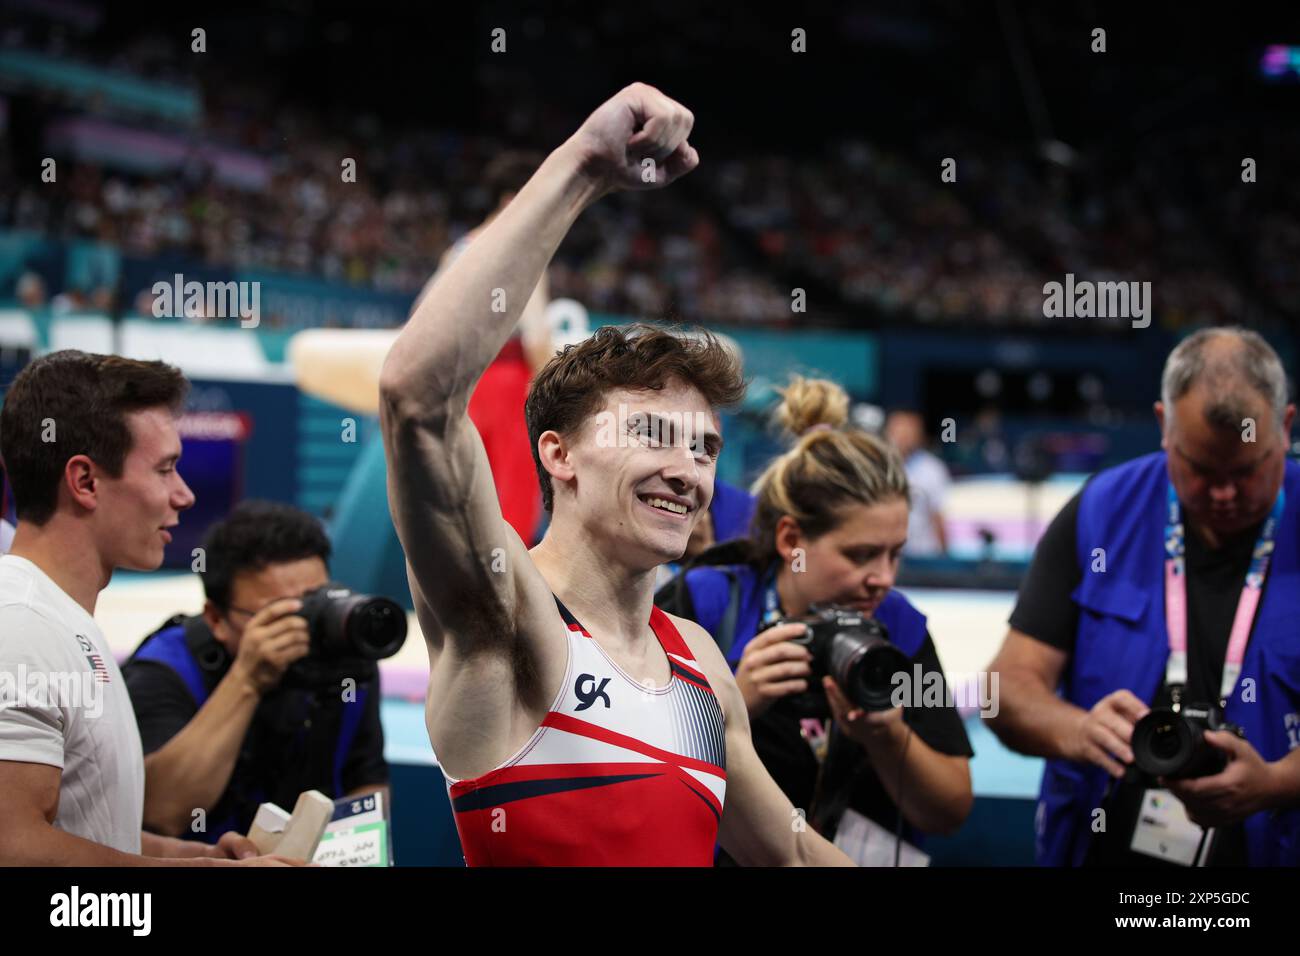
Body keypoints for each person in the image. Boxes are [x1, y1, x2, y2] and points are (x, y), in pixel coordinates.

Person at [379, 82, 854, 865]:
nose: (688, 471)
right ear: (558, 454)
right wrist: (583, 167)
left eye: (704, 448)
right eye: (653, 436)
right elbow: (416, 398)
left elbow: (795, 857)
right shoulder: (508, 613)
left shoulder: (698, 660)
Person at [987, 327, 1300, 866]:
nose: (1224, 494)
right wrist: (1078, 730)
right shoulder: (1100, 512)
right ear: (1162, 425)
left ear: (1287, 426)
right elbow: (1004, 689)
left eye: (1247, 470)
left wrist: (1278, 781)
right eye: (1200, 469)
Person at [656, 377, 973, 864]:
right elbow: (640, 775)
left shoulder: (898, 628)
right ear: (791, 540)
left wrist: (886, 736)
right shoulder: (707, 604)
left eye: (895, 555)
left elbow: (948, 813)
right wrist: (735, 706)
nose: (882, 578)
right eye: (861, 555)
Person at [0, 351, 292, 865]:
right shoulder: (20, 626)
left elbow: (87, 831)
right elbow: (15, 847)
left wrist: (194, 858)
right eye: (165, 469)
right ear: (85, 481)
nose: (184, 495)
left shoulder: (60, 620)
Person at [123, 500, 390, 845]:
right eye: (278, 614)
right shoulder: (165, 670)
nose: (303, 627)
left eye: (315, 602)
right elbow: (162, 814)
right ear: (216, 619)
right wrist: (248, 679)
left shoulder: (344, 653)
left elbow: (366, 781)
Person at [884, 409, 951, 557]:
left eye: (907, 433)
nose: (902, 439)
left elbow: (938, 515)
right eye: (897, 432)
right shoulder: (877, 465)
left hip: (923, 555)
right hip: (890, 552)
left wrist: (944, 555)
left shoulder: (932, 469)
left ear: (918, 436)